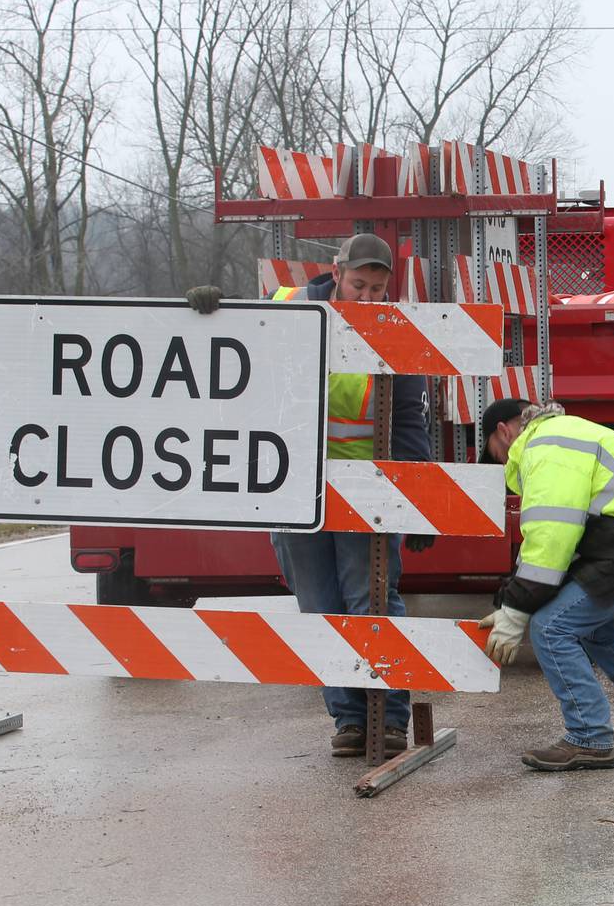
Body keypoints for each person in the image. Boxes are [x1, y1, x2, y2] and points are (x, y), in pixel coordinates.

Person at [186, 234, 434, 757]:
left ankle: (387, 720)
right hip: (293, 488)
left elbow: (410, 419)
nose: (367, 298)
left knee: (370, 602)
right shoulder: (289, 308)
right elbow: (235, 343)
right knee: (318, 605)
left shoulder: (396, 330)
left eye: (378, 289)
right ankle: (348, 720)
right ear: (337, 273)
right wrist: (209, 310)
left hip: (367, 493)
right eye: (359, 285)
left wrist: (415, 501)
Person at [476, 398, 614, 772]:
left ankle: (589, 737)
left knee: (552, 627)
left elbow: (550, 541)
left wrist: (518, 613)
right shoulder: (564, 434)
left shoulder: (544, 448)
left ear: (503, 431)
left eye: (494, 453)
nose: (499, 462)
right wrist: (512, 603)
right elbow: (551, 545)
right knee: (597, 628)